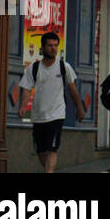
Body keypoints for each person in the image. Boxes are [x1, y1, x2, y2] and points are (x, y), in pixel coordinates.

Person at [18, 31, 85, 173]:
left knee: (52, 149)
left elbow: (73, 90)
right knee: (41, 151)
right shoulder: (34, 68)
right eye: (49, 45)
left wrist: (79, 108)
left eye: (55, 45)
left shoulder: (64, 67)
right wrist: (23, 106)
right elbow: (26, 89)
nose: (53, 48)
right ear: (42, 48)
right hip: (38, 116)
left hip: (57, 115)